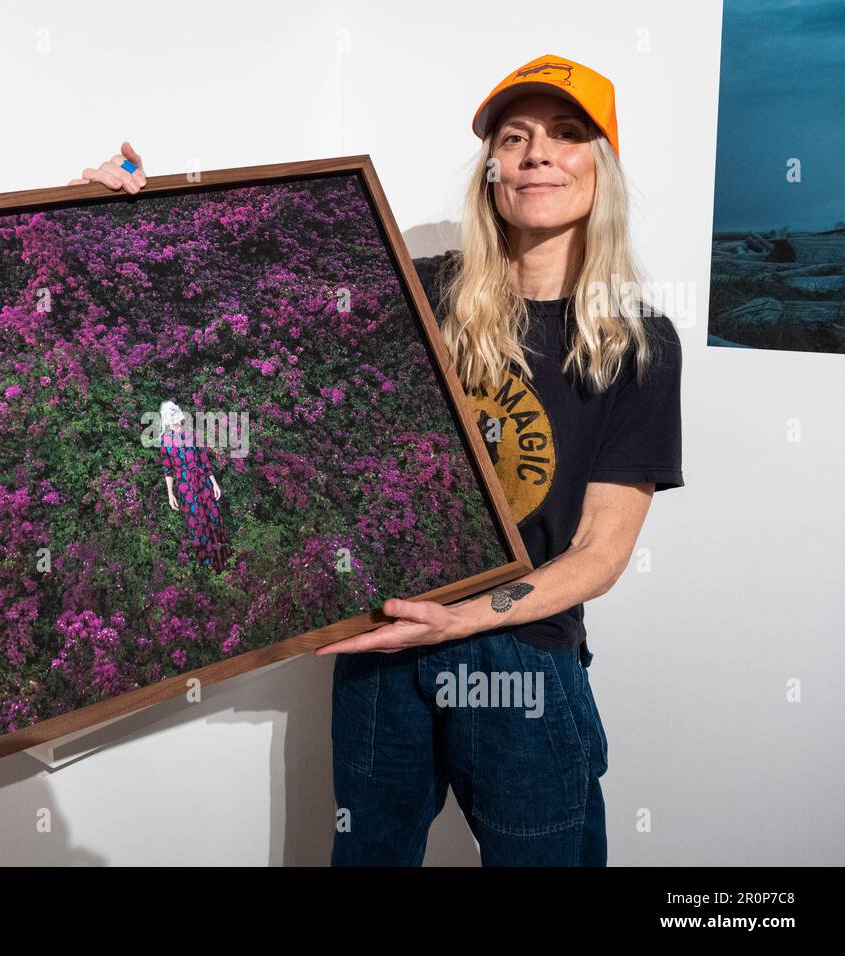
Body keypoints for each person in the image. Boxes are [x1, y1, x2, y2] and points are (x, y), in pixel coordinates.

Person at [72, 52, 684, 866]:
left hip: (524, 658)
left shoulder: (636, 342)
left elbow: (601, 553)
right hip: (385, 642)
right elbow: (241, 304)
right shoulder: (417, 291)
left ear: (600, 167)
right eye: (515, 136)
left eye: (567, 134)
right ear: (492, 168)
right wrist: (116, 216)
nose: (538, 152)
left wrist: (467, 617)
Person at [157, 400, 230, 573]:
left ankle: (225, 564)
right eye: (172, 415)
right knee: (198, 526)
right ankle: (208, 570)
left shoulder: (191, 434)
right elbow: (168, 469)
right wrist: (170, 495)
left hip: (202, 482)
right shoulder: (165, 440)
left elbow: (204, 461)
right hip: (185, 489)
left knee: (213, 518)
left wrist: (214, 484)